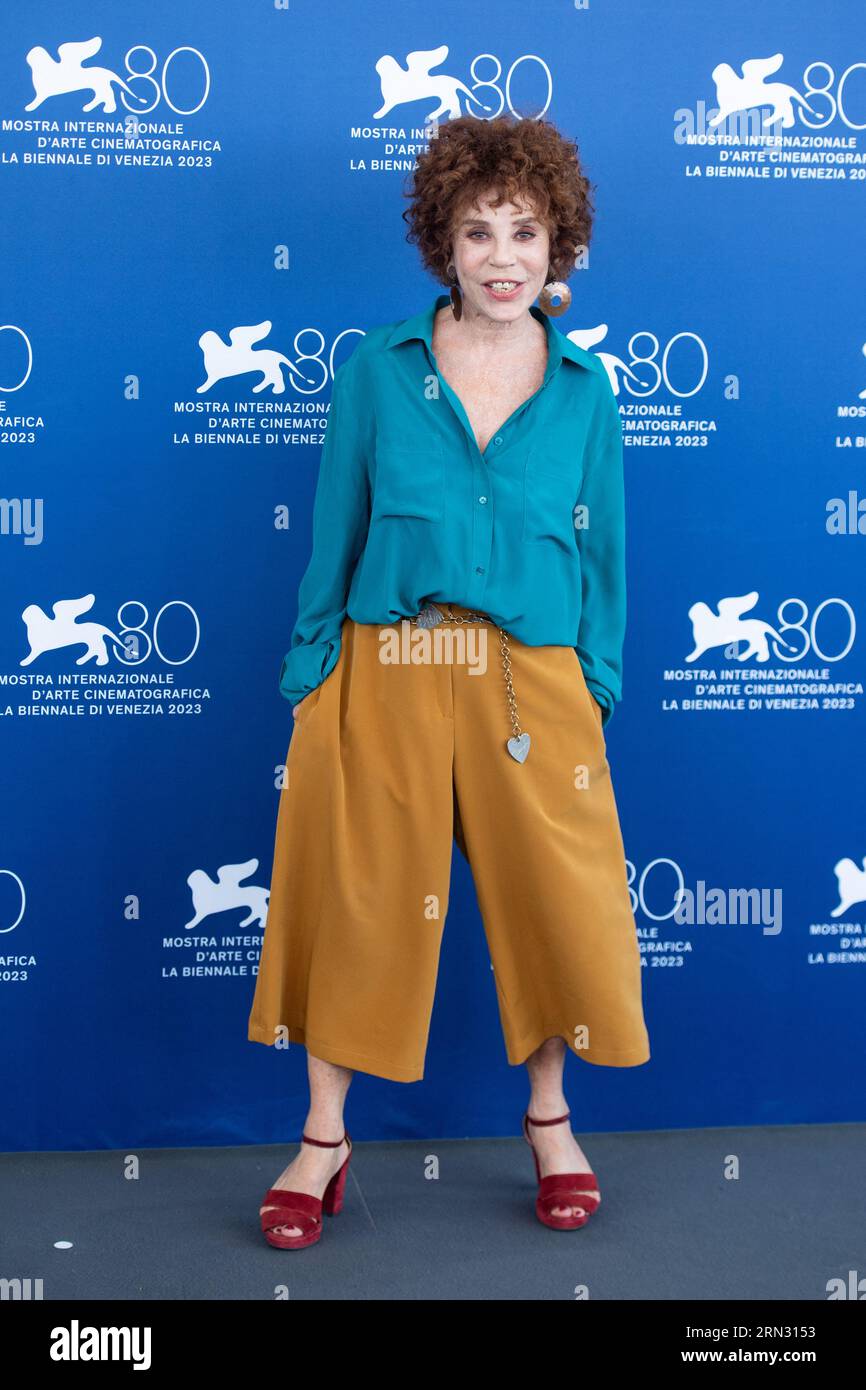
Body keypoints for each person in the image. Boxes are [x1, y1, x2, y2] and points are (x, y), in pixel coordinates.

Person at [249, 113, 650, 1249]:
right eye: (477, 231)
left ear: (556, 242)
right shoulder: (378, 369)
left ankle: (550, 1120)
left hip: (533, 680)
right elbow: (336, 528)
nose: (502, 256)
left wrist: (595, 682)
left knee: (552, 903)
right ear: (445, 244)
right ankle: (322, 1140)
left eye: (525, 230)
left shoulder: (583, 389)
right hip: (394, 661)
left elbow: (606, 556)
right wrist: (309, 672)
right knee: (361, 898)